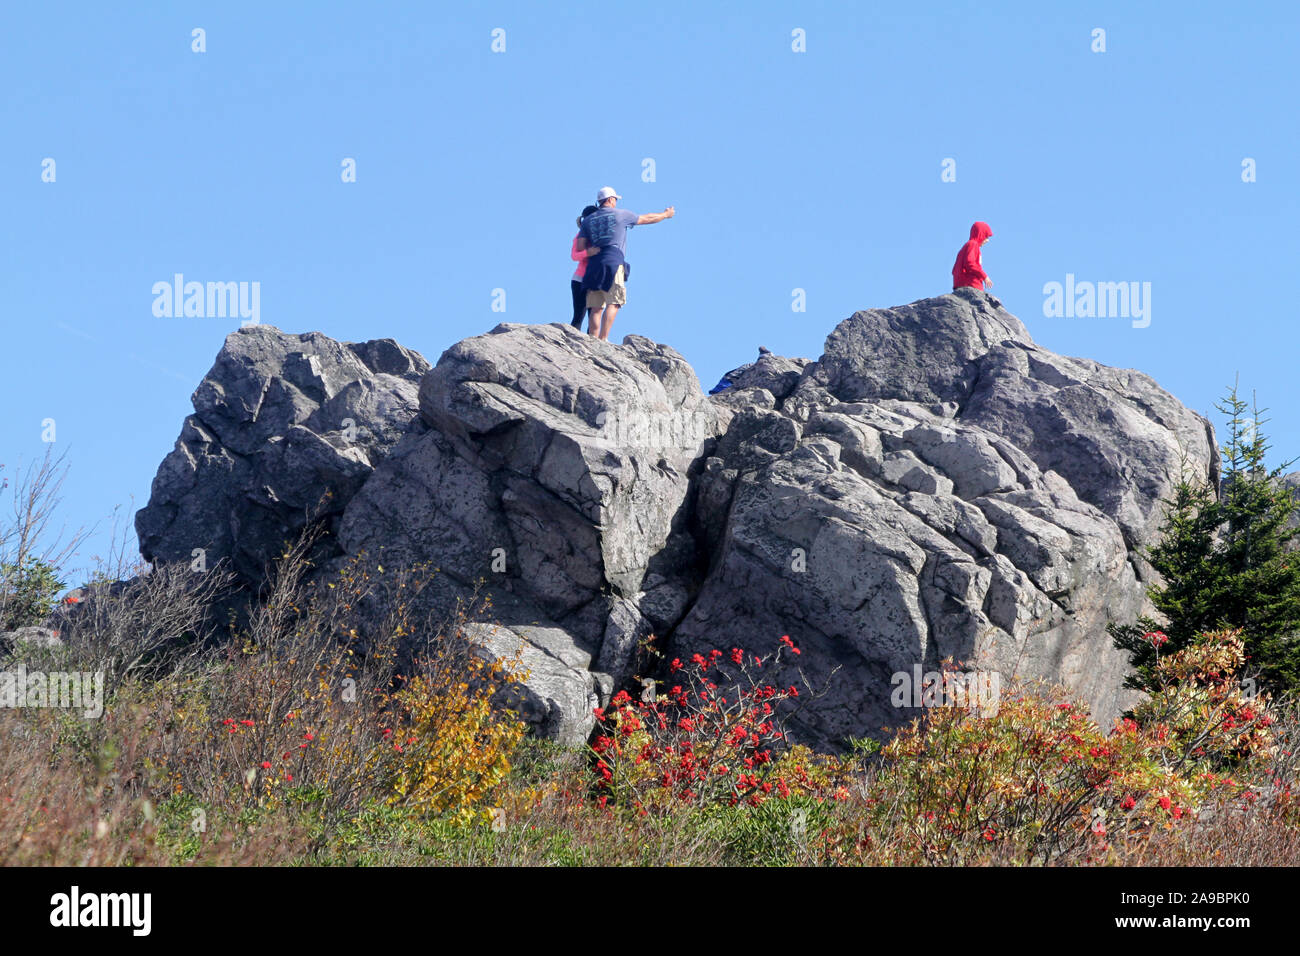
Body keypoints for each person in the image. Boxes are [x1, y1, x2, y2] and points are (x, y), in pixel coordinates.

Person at [577, 186, 675, 341]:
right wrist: (665, 215)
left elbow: (580, 247)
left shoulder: (588, 220)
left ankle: (593, 340)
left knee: (595, 307)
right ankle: (603, 339)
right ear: (610, 199)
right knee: (614, 302)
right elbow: (647, 218)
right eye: (615, 199)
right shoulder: (620, 215)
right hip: (613, 261)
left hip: (593, 265)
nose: (615, 202)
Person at [569, 205, 599, 327]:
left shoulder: (601, 234)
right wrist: (588, 253)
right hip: (580, 280)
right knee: (578, 316)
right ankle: (570, 343)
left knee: (593, 317)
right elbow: (574, 256)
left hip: (595, 280)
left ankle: (592, 345)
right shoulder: (580, 236)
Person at [952, 221, 993, 291]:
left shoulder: (968, 245)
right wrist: (984, 276)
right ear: (980, 234)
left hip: (962, 284)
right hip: (970, 283)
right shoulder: (973, 244)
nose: (987, 240)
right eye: (986, 236)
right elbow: (970, 263)